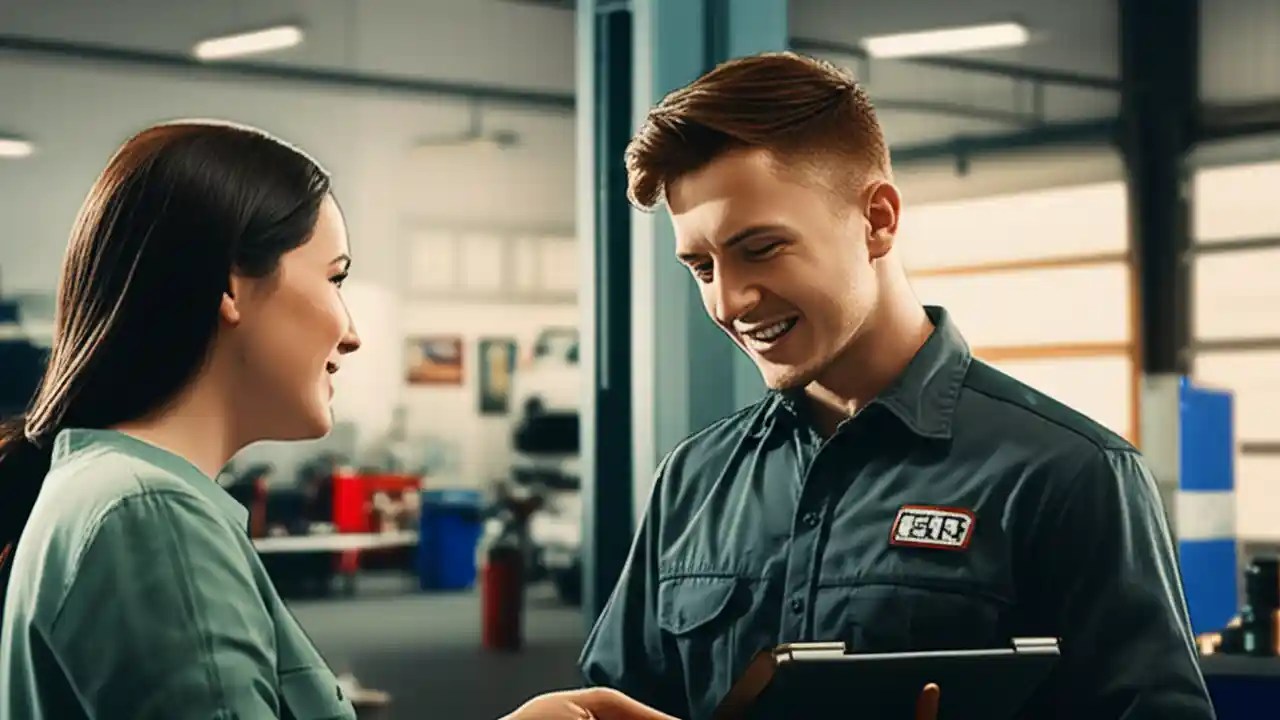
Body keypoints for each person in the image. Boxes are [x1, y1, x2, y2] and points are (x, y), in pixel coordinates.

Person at [578, 52, 1217, 720]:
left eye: (760, 248)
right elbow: (617, 702)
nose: (730, 300)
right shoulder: (695, 478)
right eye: (702, 267)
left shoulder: (1072, 477)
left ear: (878, 220)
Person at [0, 120, 674, 720]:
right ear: (230, 286)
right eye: (335, 278)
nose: (350, 333)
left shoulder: (107, 491)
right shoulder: (147, 515)